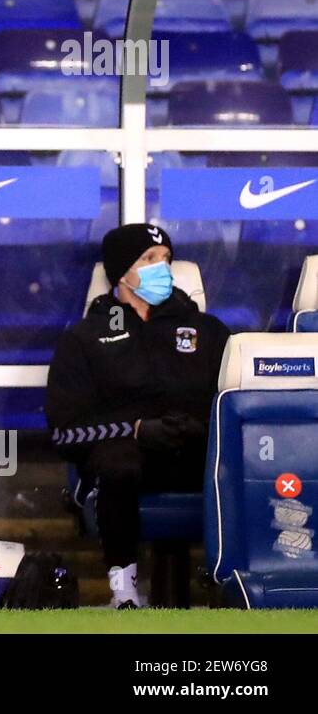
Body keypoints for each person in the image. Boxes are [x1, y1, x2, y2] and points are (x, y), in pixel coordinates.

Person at [46, 223, 230, 608]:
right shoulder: (86, 337)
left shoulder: (207, 331)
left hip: (196, 454)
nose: (161, 268)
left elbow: (230, 402)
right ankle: (124, 590)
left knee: (241, 460)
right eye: (148, 260)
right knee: (119, 463)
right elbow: (64, 432)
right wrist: (136, 429)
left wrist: (202, 429)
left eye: (166, 260)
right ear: (122, 272)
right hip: (128, 460)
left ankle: (238, 583)